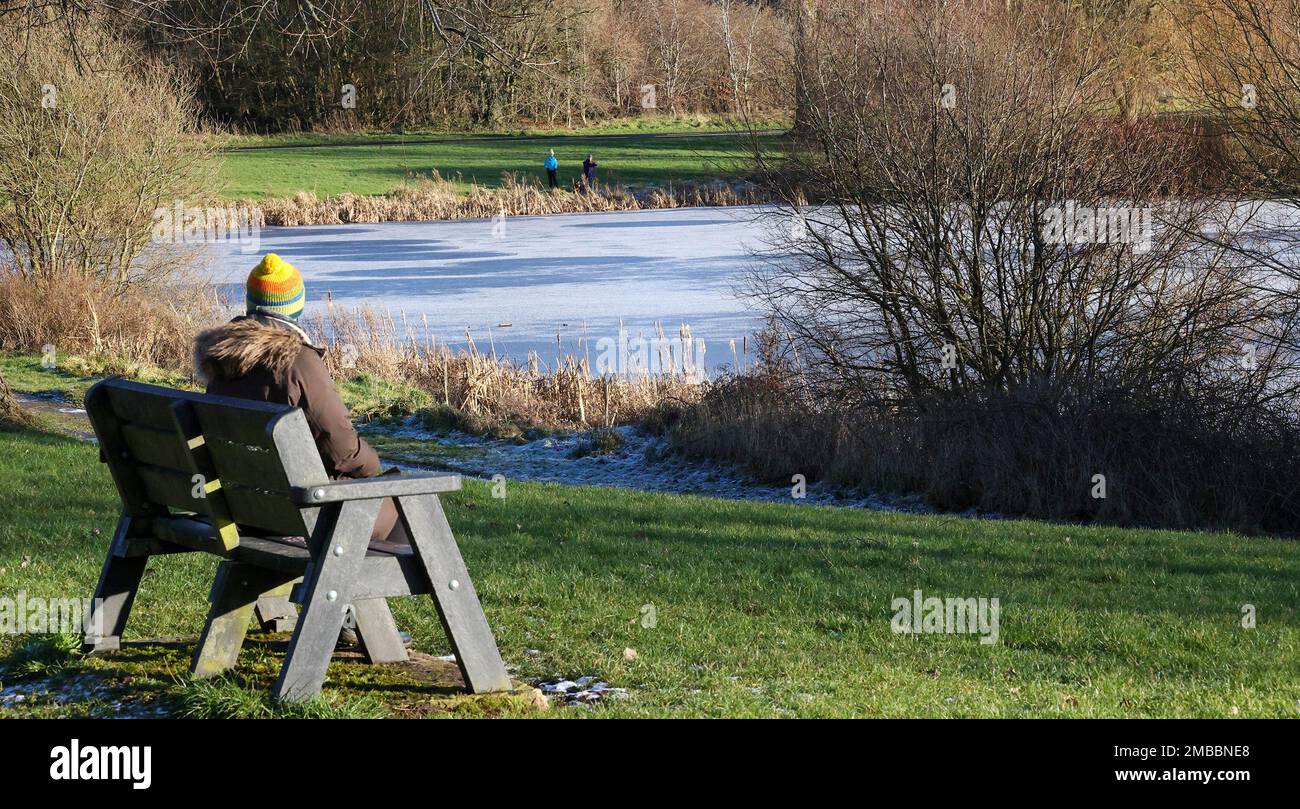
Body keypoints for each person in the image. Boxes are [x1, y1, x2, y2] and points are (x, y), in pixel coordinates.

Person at [193, 253, 405, 544]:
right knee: (407, 502)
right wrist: (371, 465)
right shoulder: (296, 361)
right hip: (297, 511)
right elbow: (342, 449)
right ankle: (357, 587)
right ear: (296, 304)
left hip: (243, 509)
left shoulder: (222, 360)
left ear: (251, 302)